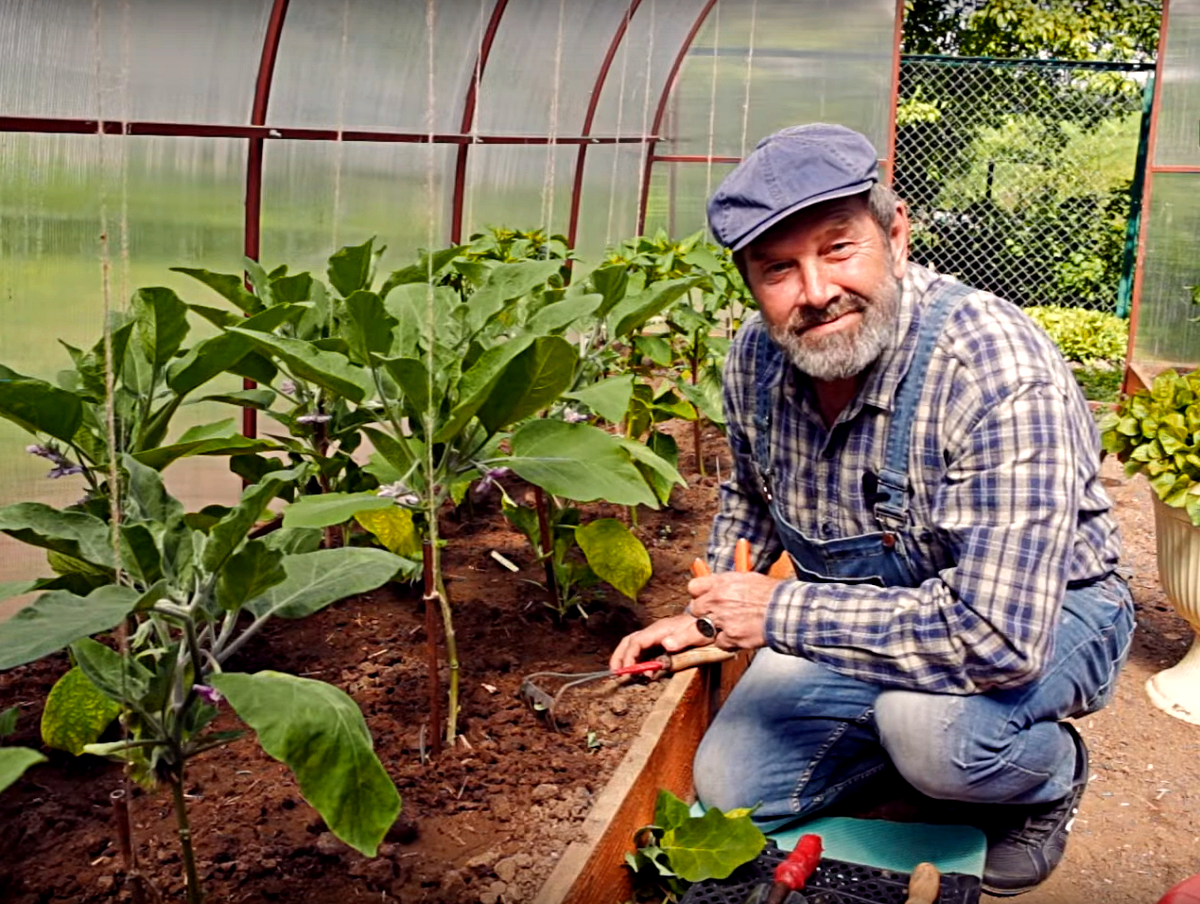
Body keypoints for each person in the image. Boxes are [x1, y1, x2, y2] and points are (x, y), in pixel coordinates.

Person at [609, 123, 1135, 897]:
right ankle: (904, 743)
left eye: (838, 249)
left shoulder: (992, 366)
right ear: (749, 282)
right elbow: (751, 496)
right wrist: (711, 613)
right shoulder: (756, 359)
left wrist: (778, 614)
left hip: (1049, 614)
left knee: (936, 735)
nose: (816, 292)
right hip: (872, 618)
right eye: (779, 269)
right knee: (731, 786)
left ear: (895, 233)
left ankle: (1047, 778)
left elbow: (996, 638)